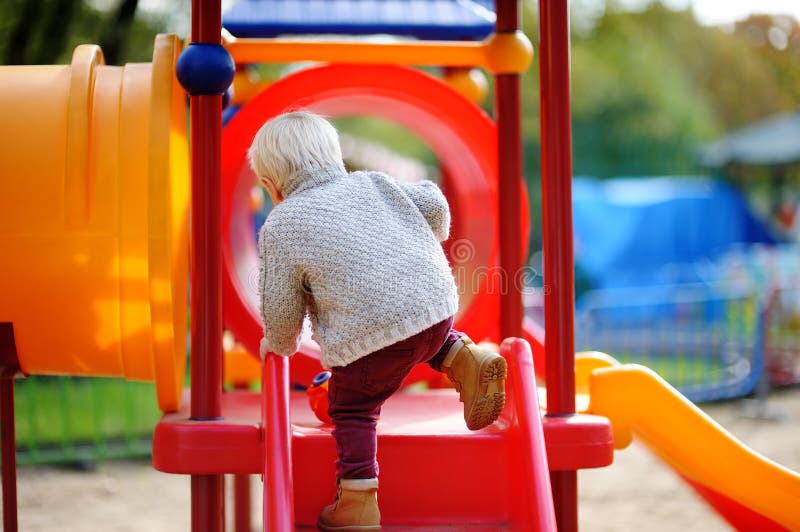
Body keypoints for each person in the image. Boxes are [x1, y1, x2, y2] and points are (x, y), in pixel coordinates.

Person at [249, 110, 507, 531]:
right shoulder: (373, 182)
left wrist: (277, 345)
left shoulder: (283, 225)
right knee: (425, 337)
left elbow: (280, 307)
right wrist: (430, 233)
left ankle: (358, 502)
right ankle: (468, 358)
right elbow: (434, 202)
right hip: (436, 308)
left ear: (270, 185)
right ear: (333, 156)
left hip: (372, 339)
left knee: (352, 407)